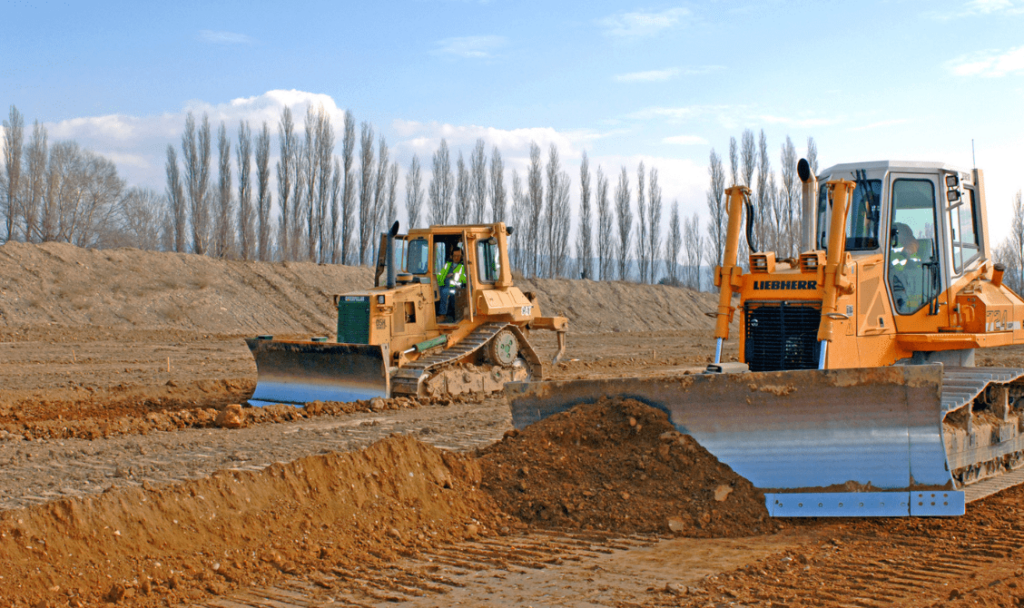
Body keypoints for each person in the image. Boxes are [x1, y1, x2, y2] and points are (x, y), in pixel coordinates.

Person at [436, 246, 466, 321]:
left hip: (457, 288)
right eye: (455, 256)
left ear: (462, 256)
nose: (456, 258)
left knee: (445, 292)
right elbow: (440, 275)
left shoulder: (463, 267)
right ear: (451, 256)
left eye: (458, 256)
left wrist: (454, 275)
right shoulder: (447, 265)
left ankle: (442, 314)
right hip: (445, 285)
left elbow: (464, 279)